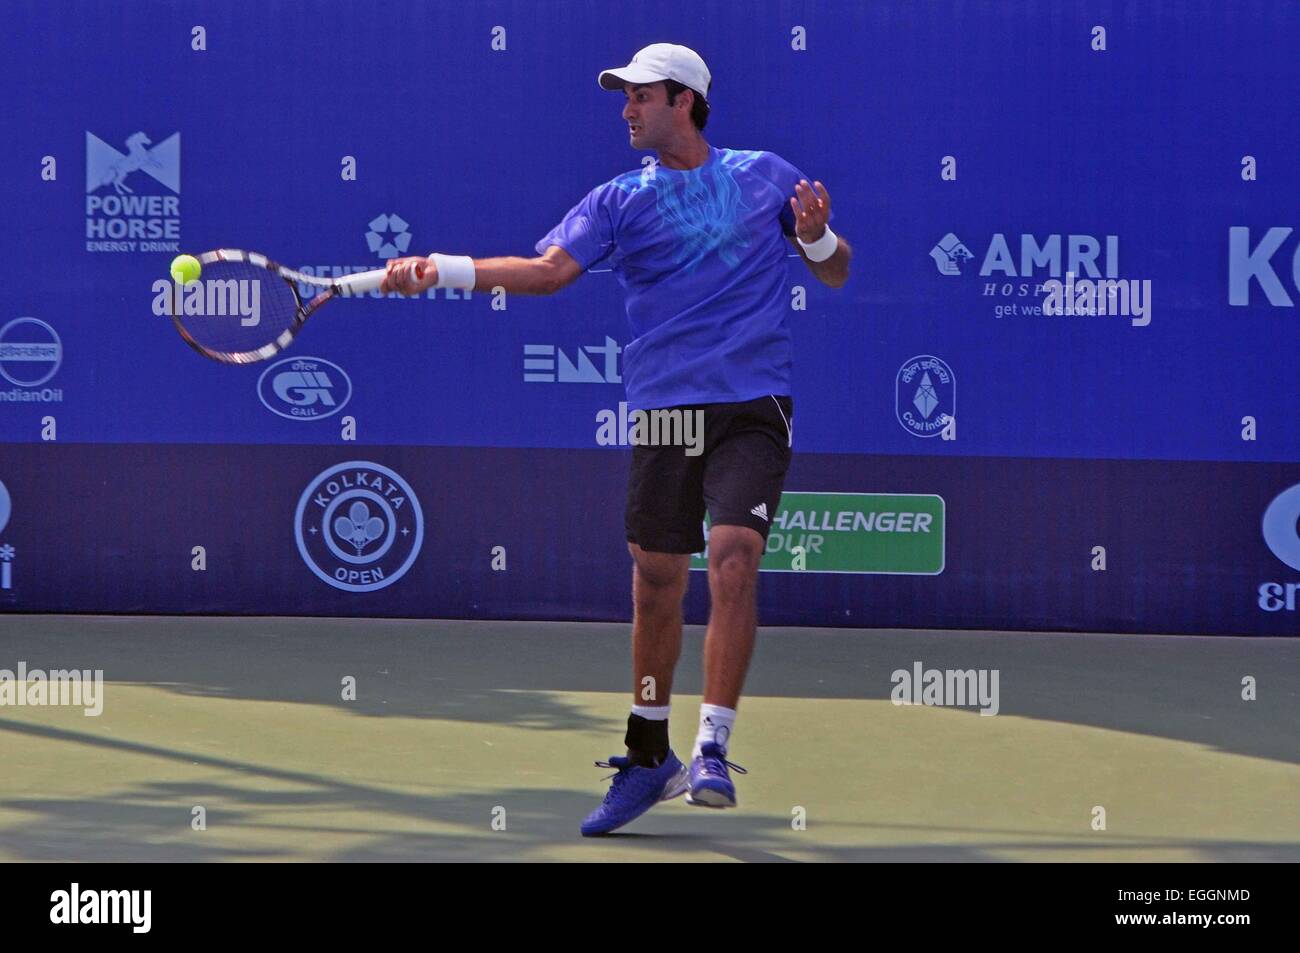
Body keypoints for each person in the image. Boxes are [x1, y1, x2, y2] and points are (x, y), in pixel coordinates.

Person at [383, 43, 851, 836]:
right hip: (666, 406)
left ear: (685, 101)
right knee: (657, 579)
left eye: (639, 97)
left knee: (734, 556)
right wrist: (448, 269)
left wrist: (813, 238)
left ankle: (712, 747)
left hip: (752, 404)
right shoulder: (617, 199)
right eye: (624, 98)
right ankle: (647, 754)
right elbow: (546, 272)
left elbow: (836, 270)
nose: (626, 111)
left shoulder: (766, 176)